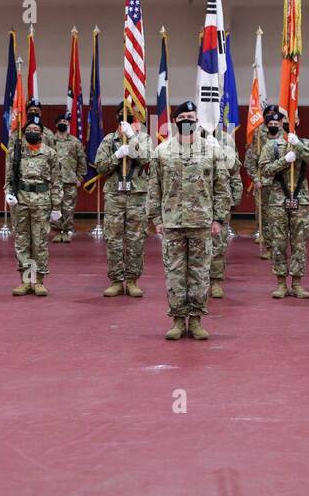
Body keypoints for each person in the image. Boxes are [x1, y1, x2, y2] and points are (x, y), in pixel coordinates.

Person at [147, 101, 231, 340]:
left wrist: (219, 219)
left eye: (191, 116)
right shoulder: (162, 152)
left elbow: (222, 188)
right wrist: (156, 218)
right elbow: (154, 188)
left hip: (202, 222)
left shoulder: (212, 151)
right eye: (182, 116)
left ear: (197, 121)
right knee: (174, 274)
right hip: (172, 223)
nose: (187, 120)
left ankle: (195, 320)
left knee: (200, 274)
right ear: (175, 121)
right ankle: (176, 320)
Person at [258, 105, 309, 299]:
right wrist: (285, 160)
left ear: (298, 122)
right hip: (277, 200)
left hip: (300, 200)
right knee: (278, 242)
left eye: (294, 120)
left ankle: (297, 282)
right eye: (286, 120)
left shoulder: (306, 143)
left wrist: (299, 147)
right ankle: (280, 283)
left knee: (299, 242)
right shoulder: (271, 146)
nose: (289, 123)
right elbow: (265, 170)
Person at [93, 102, 151, 297]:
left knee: (136, 239)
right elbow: (100, 167)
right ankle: (116, 280)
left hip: (137, 195)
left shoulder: (143, 138)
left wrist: (133, 139)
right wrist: (117, 155)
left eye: (128, 115)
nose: (124, 118)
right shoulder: (109, 141)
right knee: (114, 239)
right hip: (115, 195)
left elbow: (146, 159)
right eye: (120, 114)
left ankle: (133, 280)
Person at [4, 116, 59, 296]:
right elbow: (9, 178)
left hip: (42, 201)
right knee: (22, 242)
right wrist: (8, 193)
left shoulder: (50, 153)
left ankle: (39, 281)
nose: (32, 133)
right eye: (29, 130)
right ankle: (27, 280)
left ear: (42, 134)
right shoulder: (16, 152)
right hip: (20, 201)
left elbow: (57, 181)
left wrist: (57, 206)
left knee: (40, 242)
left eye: (36, 130)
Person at [208, 128, 244, 299]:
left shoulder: (226, 139)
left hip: (219, 200)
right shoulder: (188, 136)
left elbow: (234, 169)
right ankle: (196, 282)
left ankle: (216, 281)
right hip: (193, 201)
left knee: (218, 243)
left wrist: (234, 198)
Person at [51, 111, 87, 243]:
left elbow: (82, 160)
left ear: (68, 124)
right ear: (56, 125)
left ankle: (66, 231)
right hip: (54, 181)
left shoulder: (75, 142)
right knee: (55, 206)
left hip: (70, 181)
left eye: (65, 122)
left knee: (68, 208)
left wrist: (80, 178)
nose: (63, 124)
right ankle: (56, 231)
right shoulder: (51, 141)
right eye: (60, 122)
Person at [245, 107, 272, 259]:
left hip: (280, 186)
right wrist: (256, 179)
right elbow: (250, 160)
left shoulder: (287, 137)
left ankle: (276, 248)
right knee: (263, 213)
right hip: (262, 182)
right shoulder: (258, 136)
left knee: (278, 217)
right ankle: (265, 241)